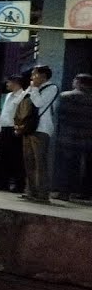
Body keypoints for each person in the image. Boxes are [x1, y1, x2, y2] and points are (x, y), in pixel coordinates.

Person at [20, 64, 59, 203]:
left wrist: (35, 89)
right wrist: (30, 89)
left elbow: (39, 103)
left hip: (42, 129)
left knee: (40, 162)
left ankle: (42, 193)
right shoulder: (33, 87)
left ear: (43, 76)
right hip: (29, 128)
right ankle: (31, 191)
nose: (32, 77)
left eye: (34, 74)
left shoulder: (52, 88)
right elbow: (21, 101)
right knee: (29, 161)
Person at [53, 73, 92, 202]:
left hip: (68, 136)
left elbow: (60, 115)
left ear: (78, 82)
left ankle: (64, 192)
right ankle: (81, 192)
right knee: (83, 166)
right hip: (86, 138)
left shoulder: (66, 96)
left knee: (66, 165)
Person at [0, 75, 27, 193]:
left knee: (16, 157)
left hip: (14, 129)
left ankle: (19, 185)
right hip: (5, 128)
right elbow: (4, 113)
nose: (7, 84)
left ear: (16, 83)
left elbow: (22, 114)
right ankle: (2, 182)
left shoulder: (24, 95)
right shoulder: (8, 96)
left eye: (9, 82)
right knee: (2, 156)